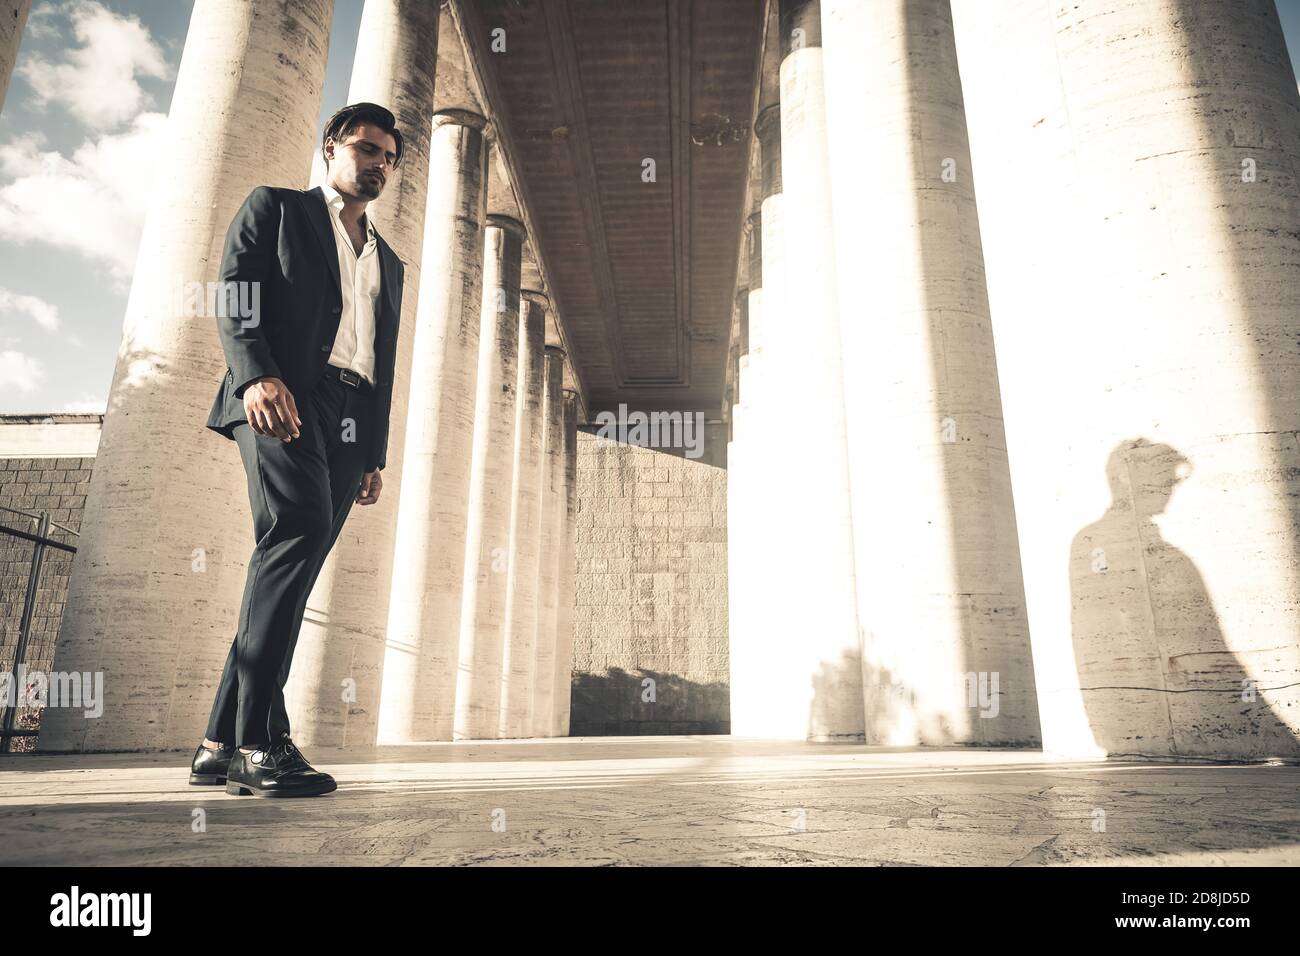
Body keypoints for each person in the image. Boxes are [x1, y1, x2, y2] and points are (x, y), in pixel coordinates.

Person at [189, 103, 405, 797]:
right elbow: (238, 293)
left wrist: (373, 451)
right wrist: (255, 373)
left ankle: (218, 742)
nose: (377, 164)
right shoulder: (277, 208)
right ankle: (259, 745)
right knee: (297, 533)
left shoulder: (388, 260)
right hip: (284, 395)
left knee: (292, 565)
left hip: (350, 413)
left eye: (388, 157)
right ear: (331, 148)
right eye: (367, 149)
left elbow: (382, 356)